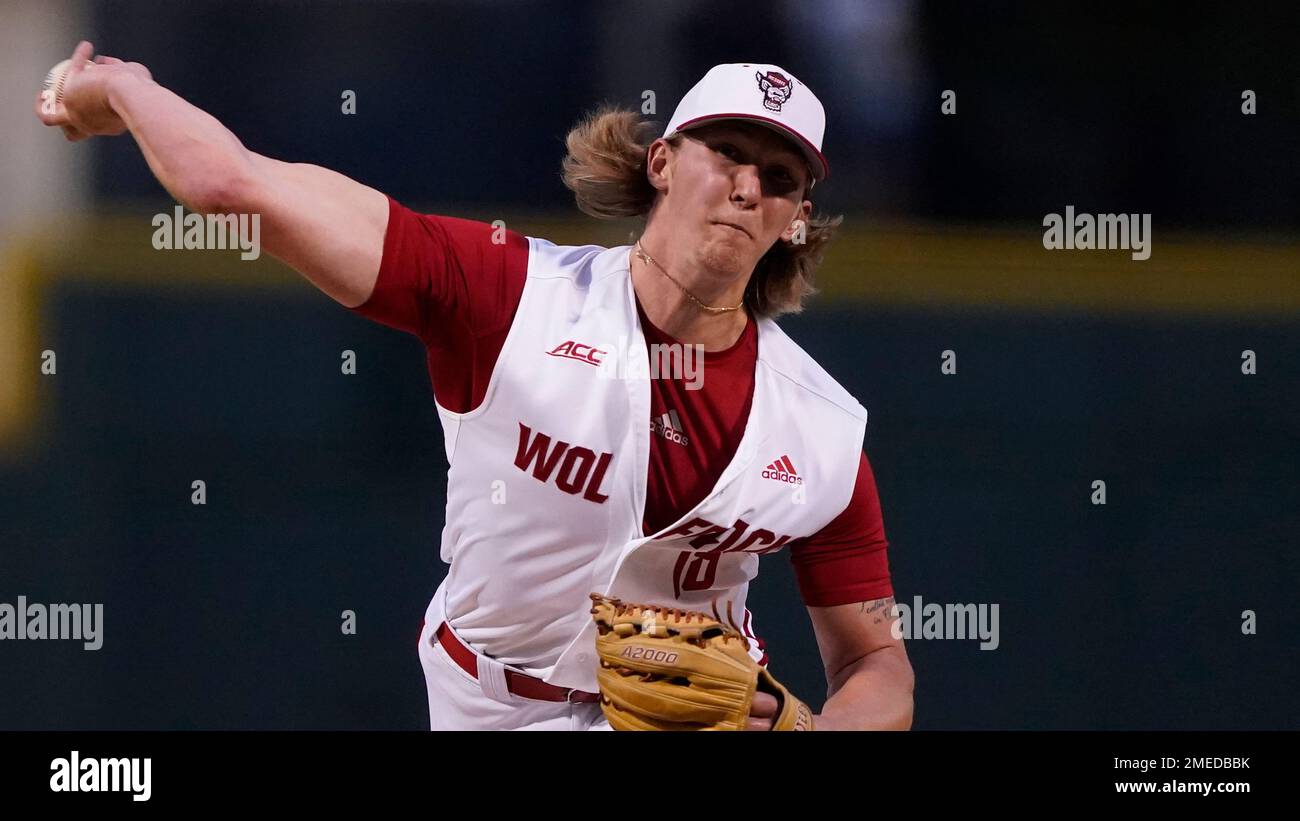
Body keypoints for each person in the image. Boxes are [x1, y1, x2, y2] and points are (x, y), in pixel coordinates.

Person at [36, 43, 914, 730]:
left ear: (797, 217)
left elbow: (875, 660)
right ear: (662, 162)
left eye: (781, 178)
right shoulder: (507, 293)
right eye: (727, 151)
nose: (747, 185)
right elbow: (229, 180)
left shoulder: (820, 428)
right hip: (486, 696)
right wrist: (122, 88)